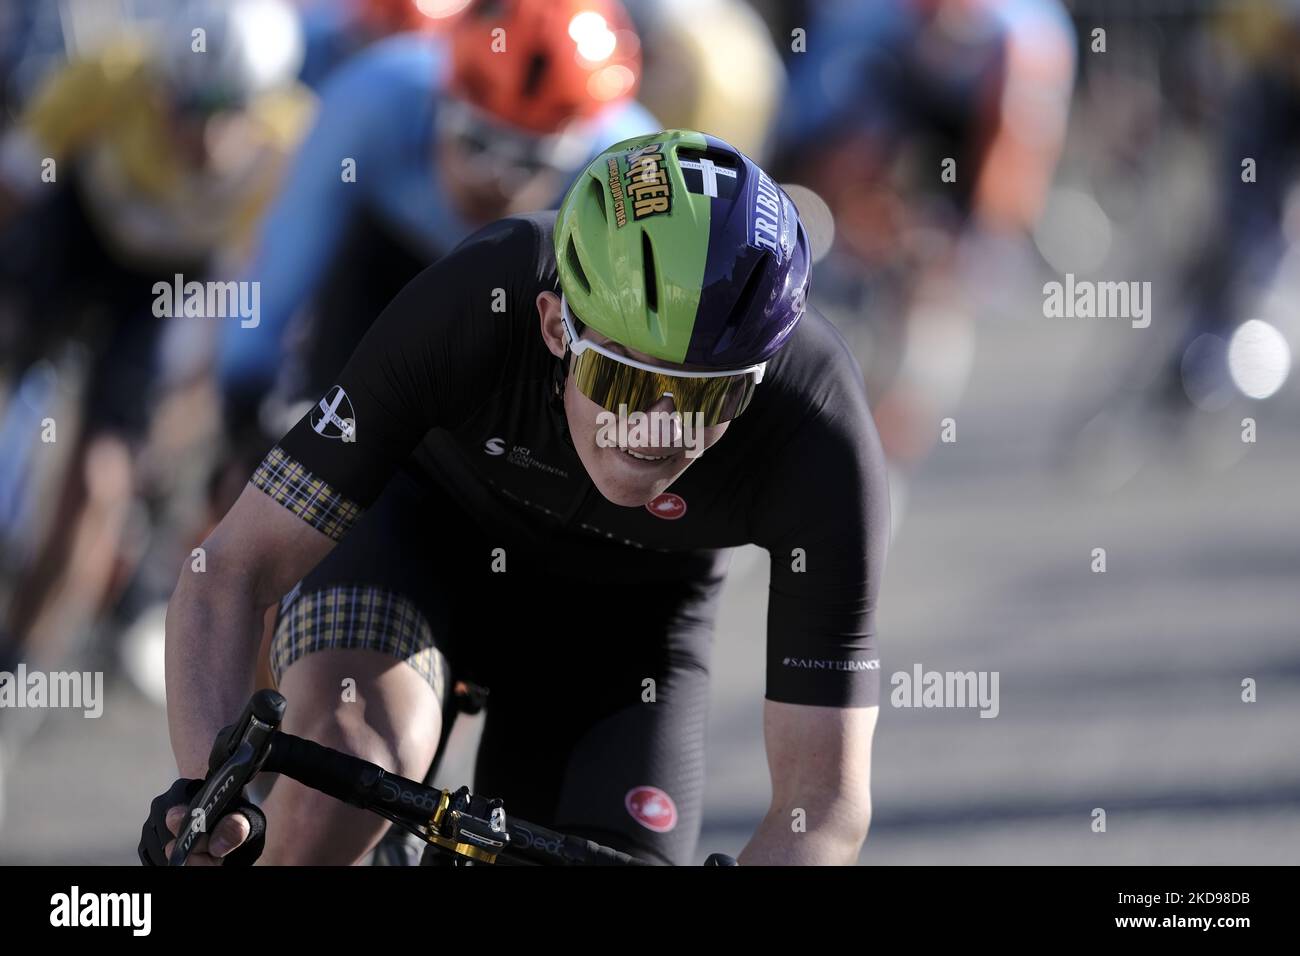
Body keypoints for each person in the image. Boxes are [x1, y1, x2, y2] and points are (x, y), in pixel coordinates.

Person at [142, 130, 889, 866]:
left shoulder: (820, 432)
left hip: (631, 618)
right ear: (555, 325)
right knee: (348, 777)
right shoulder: (478, 298)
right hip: (426, 532)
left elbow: (823, 805)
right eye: (623, 380)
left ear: (755, 384)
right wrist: (206, 791)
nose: (654, 430)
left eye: (702, 399)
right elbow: (230, 571)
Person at [0, 0, 312, 674]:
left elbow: (247, 305)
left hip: (166, 280)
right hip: (73, 234)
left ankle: (19, 658)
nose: (205, 139)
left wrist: (176, 413)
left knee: (102, 477)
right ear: (157, 85)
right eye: (187, 109)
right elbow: (14, 186)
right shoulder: (109, 75)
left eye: (229, 115)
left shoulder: (299, 139)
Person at [217, 0, 656, 442]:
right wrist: (245, 394)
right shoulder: (378, 96)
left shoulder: (622, 169)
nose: (495, 180)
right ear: (443, 99)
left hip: (514, 305)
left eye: (529, 161)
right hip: (382, 266)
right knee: (326, 435)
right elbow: (287, 254)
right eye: (476, 141)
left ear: (581, 146)